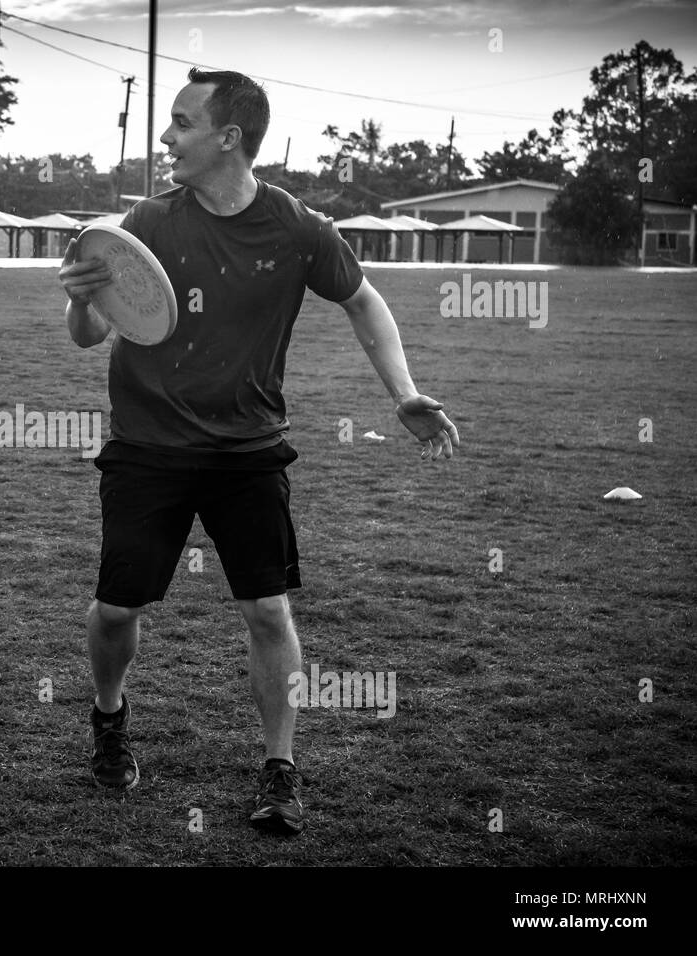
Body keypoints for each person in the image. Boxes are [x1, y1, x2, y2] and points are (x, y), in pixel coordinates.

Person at [58, 69, 460, 834]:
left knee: (269, 611)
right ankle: (109, 719)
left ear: (228, 137)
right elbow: (90, 337)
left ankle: (281, 770)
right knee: (116, 609)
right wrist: (81, 298)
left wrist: (402, 390)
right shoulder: (145, 221)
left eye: (181, 123)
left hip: (248, 449)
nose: (168, 137)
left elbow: (364, 298)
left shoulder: (298, 227)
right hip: (149, 448)